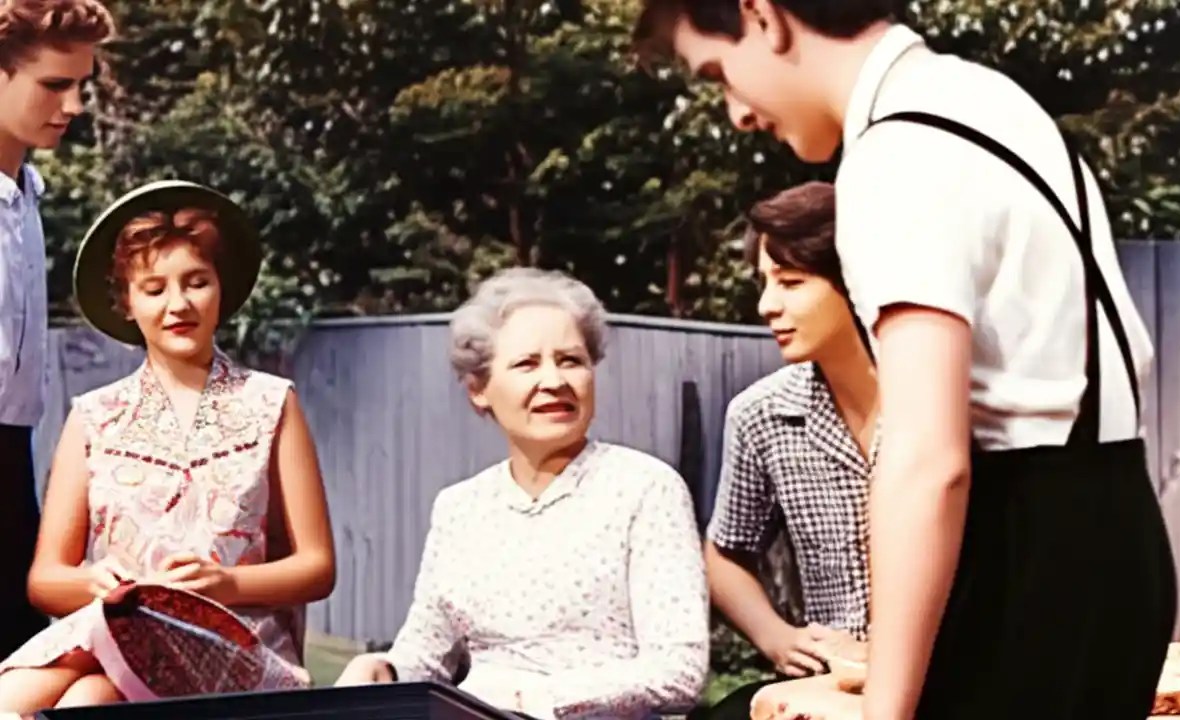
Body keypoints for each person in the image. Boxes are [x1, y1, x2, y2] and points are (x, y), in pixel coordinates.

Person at [632, 4, 1177, 719]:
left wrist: (884, 710)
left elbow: (928, 458)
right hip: (1114, 530)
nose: (737, 112)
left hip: (1026, 557)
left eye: (719, 75)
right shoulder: (984, 99)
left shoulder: (897, 152)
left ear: (761, 16)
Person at [0, 181, 337, 713]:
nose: (178, 304)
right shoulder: (93, 416)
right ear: (127, 304)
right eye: (154, 289)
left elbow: (317, 567)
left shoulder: (272, 403)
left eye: (196, 282)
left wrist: (224, 583)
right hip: (116, 644)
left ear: (220, 288)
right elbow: (46, 580)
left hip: (238, 652)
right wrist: (94, 583)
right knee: (87, 696)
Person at [335, 267, 709, 720]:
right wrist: (384, 669)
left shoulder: (644, 488)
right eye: (527, 363)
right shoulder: (460, 508)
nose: (554, 380)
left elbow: (679, 670)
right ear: (479, 389)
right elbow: (426, 654)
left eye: (571, 360)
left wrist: (539, 699)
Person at [693, 182, 875, 720]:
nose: (767, 305)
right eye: (765, 282)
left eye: (791, 282)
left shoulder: (948, 404)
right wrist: (776, 637)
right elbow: (725, 552)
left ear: (856, 281)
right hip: (827, 688)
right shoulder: (763, 415)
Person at [0, 0, 116, 660]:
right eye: (53, 84)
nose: (73, 105)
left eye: (81, 86)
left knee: (19, 658)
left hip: (14, 457)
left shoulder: (26, 193)